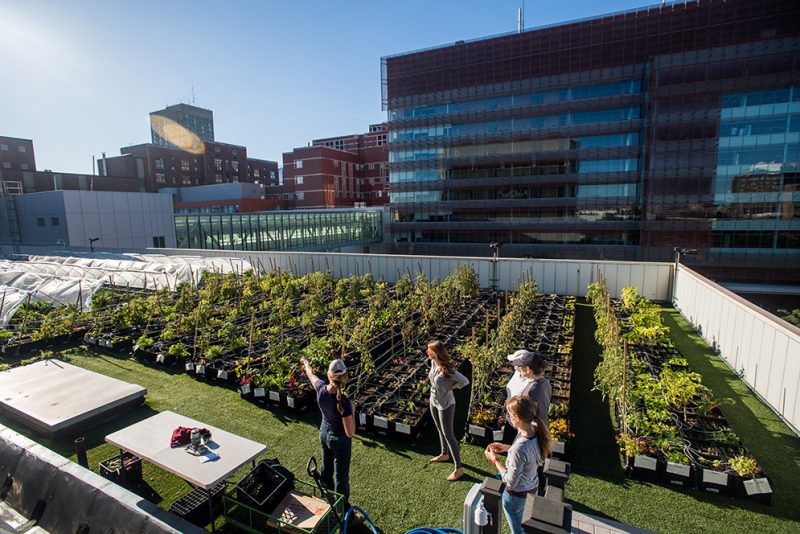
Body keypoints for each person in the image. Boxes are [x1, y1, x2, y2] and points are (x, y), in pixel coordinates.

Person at [484, 395, 552, 534]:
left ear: (517, 418)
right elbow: (529, 453)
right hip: (533, 488)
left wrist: (494, 460)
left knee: (519, 531)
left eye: (509, 414)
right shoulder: (535, 428)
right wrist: (506, 447)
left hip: (516, 497)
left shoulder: (519, 449)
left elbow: (511, 482)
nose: (508, 417)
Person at [301, 356, 356, 506]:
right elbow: (350, 432)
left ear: (328, 375)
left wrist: (306, 363)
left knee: (326, 467)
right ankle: (342, 507)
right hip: (340, 440)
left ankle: (326, 497)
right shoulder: (344, 402)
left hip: (324, 433)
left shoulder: (321, 389)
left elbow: (311, 375)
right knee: (341, 476)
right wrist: (353, 410)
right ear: (345, 378)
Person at [426, 340, 470, 481]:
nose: (427, 352)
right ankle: (444, 454)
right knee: (440, 429)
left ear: (435, 352)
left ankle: (459, 469)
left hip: (446, 404)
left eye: (429, 350)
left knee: (449, 435)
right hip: (433, 400)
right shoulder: (433, 363)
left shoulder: (449, 370)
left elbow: (465, 381)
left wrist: (453, 388)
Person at [504, 350, 551, 443]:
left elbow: (534, 417)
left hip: (527, 433)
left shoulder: (532, 391)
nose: (515, 368)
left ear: (528, 369)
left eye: (519, 367)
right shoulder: (544, 383)